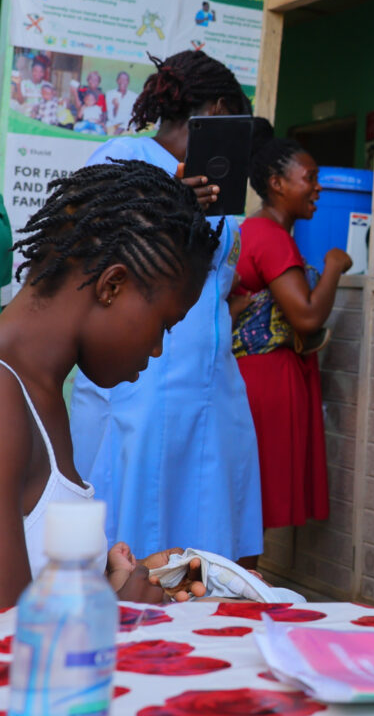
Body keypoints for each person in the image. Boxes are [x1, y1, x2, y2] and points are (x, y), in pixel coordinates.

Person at [70, 50, 264, 564]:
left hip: (212, 384)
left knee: (210, 534)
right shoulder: (122, 156)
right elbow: (92, 253)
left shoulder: (220, 189)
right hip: (142, 379)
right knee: (138, 529)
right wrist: (171, 206)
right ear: (220, 110)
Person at [0, 160, 220, 607]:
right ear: (112, 285)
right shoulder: (4, 398)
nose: (157, 349)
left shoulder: (37, 391)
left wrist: (117, 579)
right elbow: (10, 642)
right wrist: (118, 607)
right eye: (164, 324)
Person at [234, 122, 349, 535]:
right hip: (268, 379)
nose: (318, 188)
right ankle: (243, 594)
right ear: (277, 184)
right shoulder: (272, 237)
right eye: (310, 179)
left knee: (246, 500)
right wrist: (334, 266)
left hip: (249, 378)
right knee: (254, 505)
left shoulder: (251, 229)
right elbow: (306, 316)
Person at [106, 71, 138, 135]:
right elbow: (110, 117)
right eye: (120, 79)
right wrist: (116, 107)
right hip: (112, 124)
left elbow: (132, 116)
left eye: (125, 79)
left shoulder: (134, 96)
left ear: (128, 82)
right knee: (111, 137)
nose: (122, 81)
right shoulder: (110, 94)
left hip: (127, 126)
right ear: (117, 81)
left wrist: (122, 127)